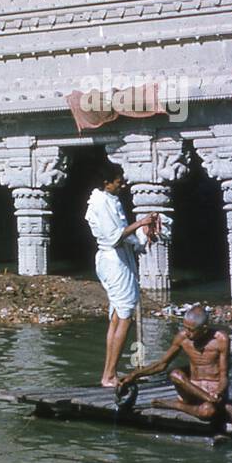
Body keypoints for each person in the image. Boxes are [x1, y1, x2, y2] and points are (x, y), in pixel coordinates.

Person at [84, 163, 158, 387]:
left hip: (119, 258)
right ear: (106, 183)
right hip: (113, 261)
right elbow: (114, 237)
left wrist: (144, 233)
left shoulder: (110, 199)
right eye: (118, 181)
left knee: (118, 316)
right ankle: (109, 375)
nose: (122, 185)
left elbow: (126, 238)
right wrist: (141, 222)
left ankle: (109, 373)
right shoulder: (100, 202)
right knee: (125, 316)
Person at [121, 305, 232, 431]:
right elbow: (162, 364)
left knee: (207, 412)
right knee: (175, 374)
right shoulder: (182, 337)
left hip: (214, 390)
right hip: (191, 390)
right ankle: (225, 406)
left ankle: (176, 405)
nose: (187, 333)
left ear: (204, 329)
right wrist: (134, 375)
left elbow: (224, 375)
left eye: (191, 330)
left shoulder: (220, 339)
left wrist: (218, 392)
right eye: (185, 327)